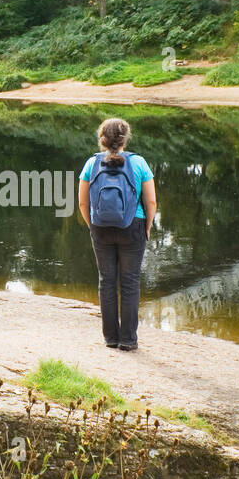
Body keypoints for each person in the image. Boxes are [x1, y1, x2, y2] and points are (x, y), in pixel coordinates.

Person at [78, 117, 157, 351]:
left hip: (100, 227)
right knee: (130, 282)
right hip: (133, 225)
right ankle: (128, 340)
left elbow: (83, 203)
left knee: (107, 281)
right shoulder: (139, 162)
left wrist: (93, 225)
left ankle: (110, 338)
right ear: (125, 138)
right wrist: (148, 225)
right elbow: (151, 200)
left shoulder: (91, 163)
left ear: (102, 137)